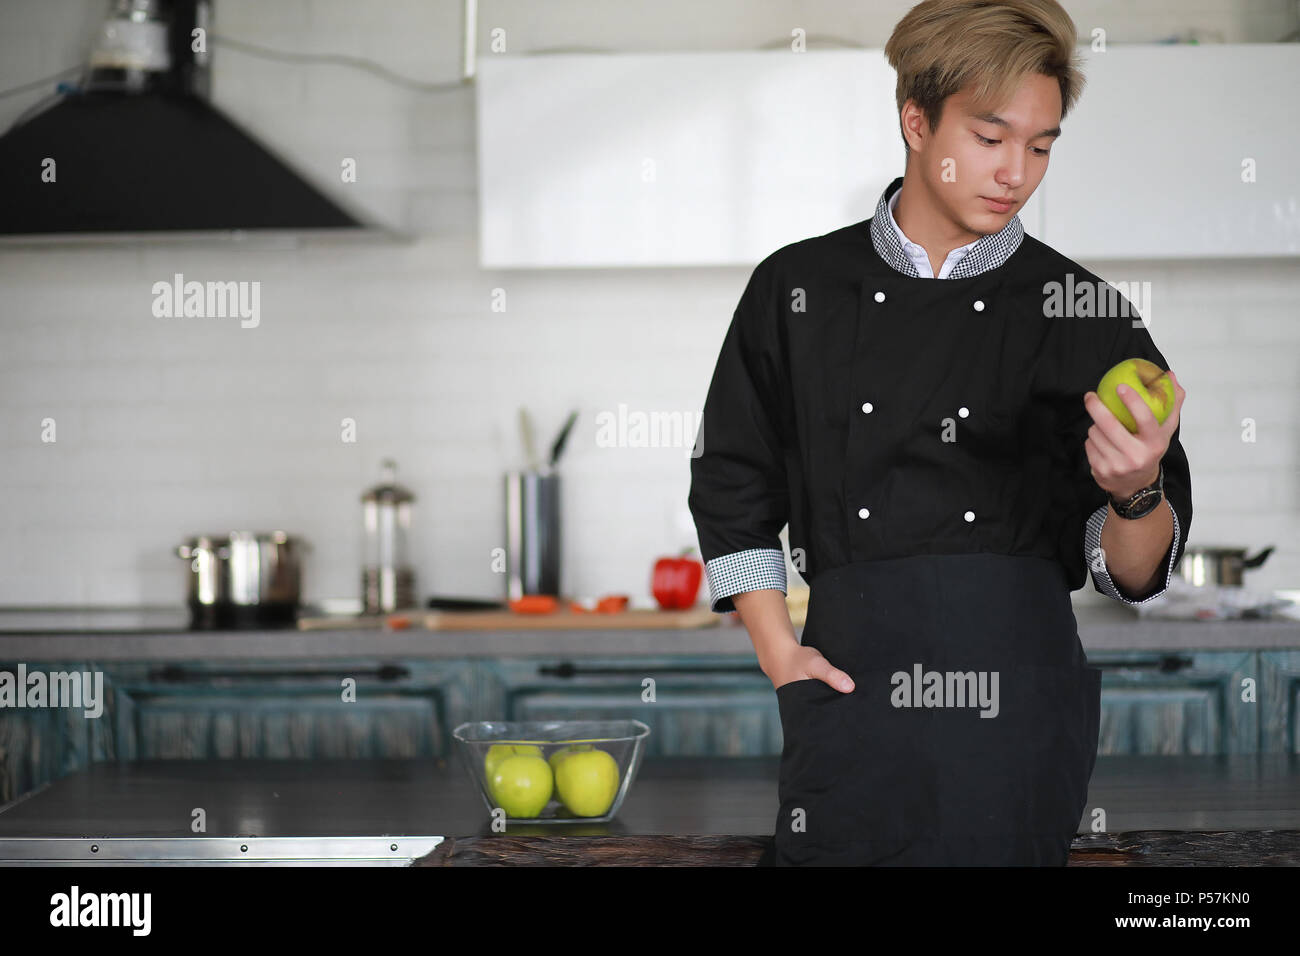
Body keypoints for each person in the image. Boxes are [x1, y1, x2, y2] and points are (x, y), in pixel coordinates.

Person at [687, 0, 1192, 866]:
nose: (1016, 173)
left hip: (1017, 716)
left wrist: (1134, 489)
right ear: (915, 121)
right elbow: (733, 484)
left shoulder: (1084, 311)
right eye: (991, 138)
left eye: (1040, 146)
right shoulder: (795, 289)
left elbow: (1135, 575)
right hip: (851, 702)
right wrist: (779, 653)